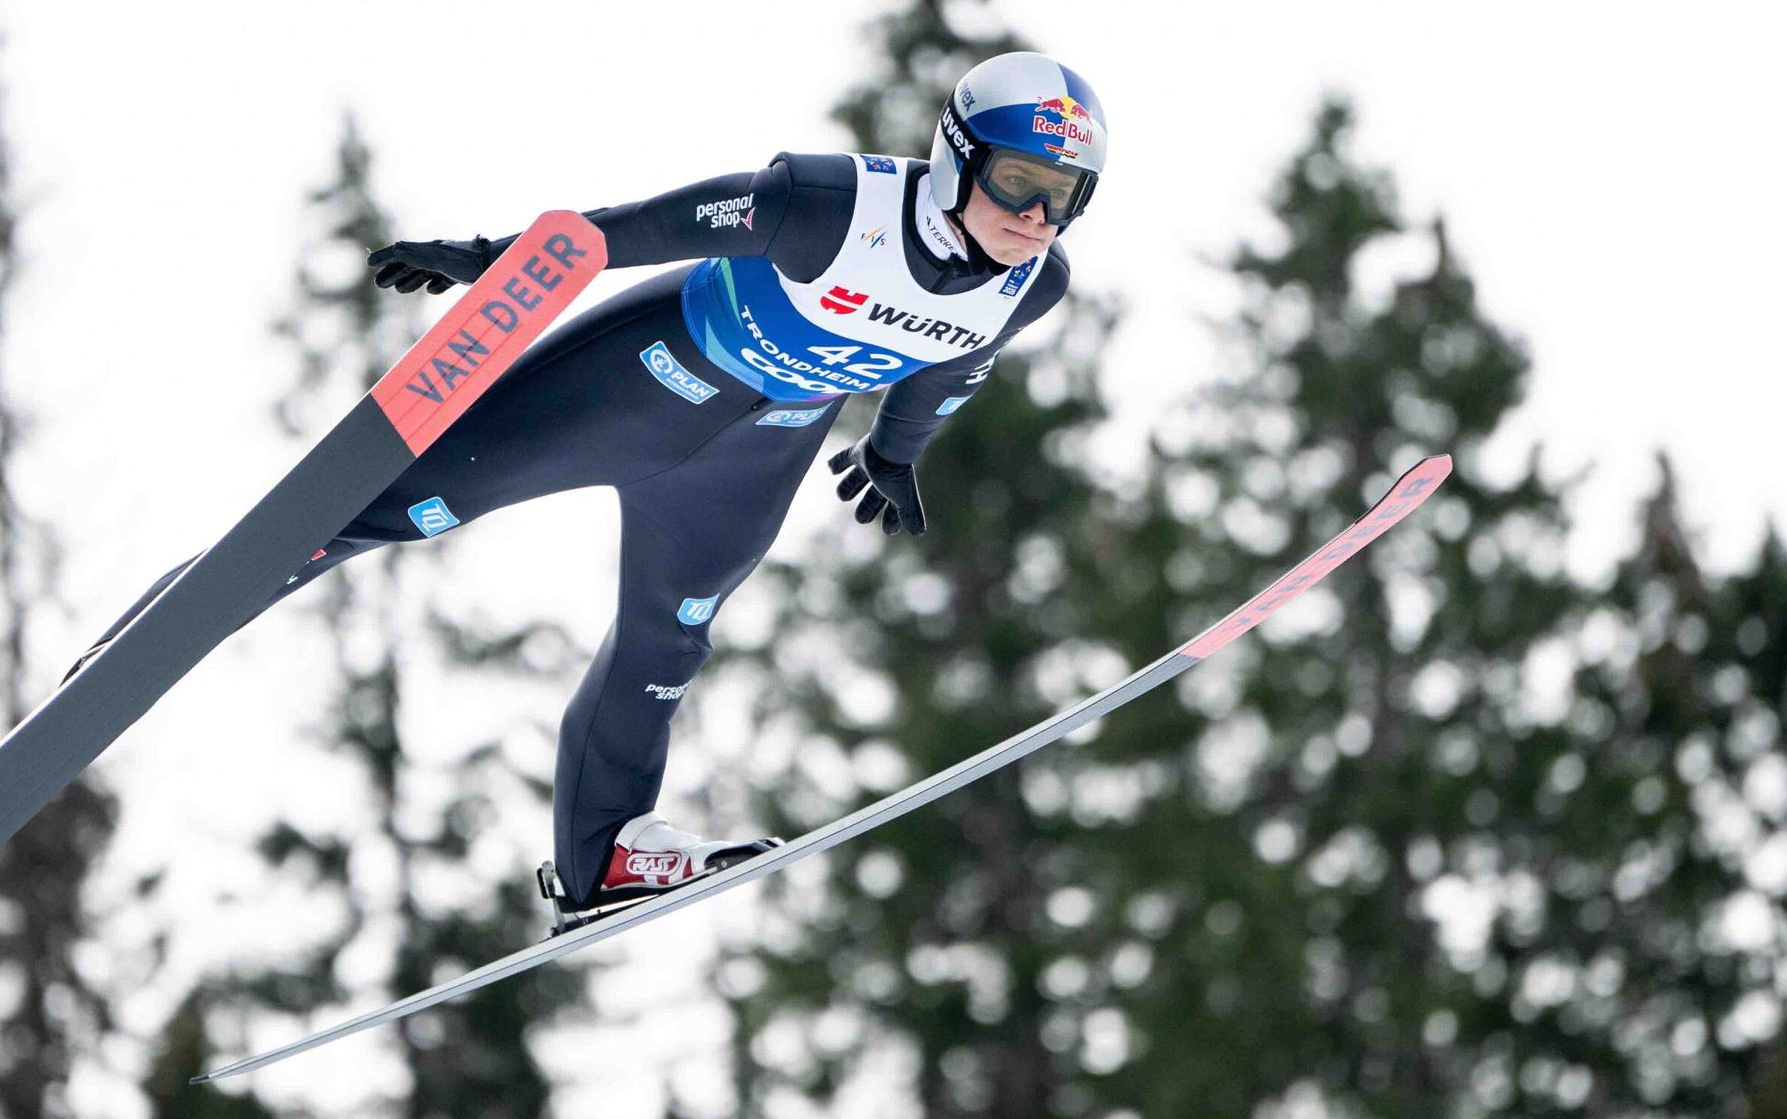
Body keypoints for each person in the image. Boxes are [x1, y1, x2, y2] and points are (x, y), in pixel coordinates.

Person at [75, 51, 1108, 921]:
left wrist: (892, 451)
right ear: (955, 156)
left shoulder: (1032, 285)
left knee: (670, 633)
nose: (1035, 215)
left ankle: (599, 860)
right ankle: (143, 647)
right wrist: (495, 260)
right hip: (643, 381)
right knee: (378, 512)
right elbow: (643, 229)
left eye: (1063, 196)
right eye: (1019, 179)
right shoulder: (830, 204)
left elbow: (950, 365)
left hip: (752, 453)